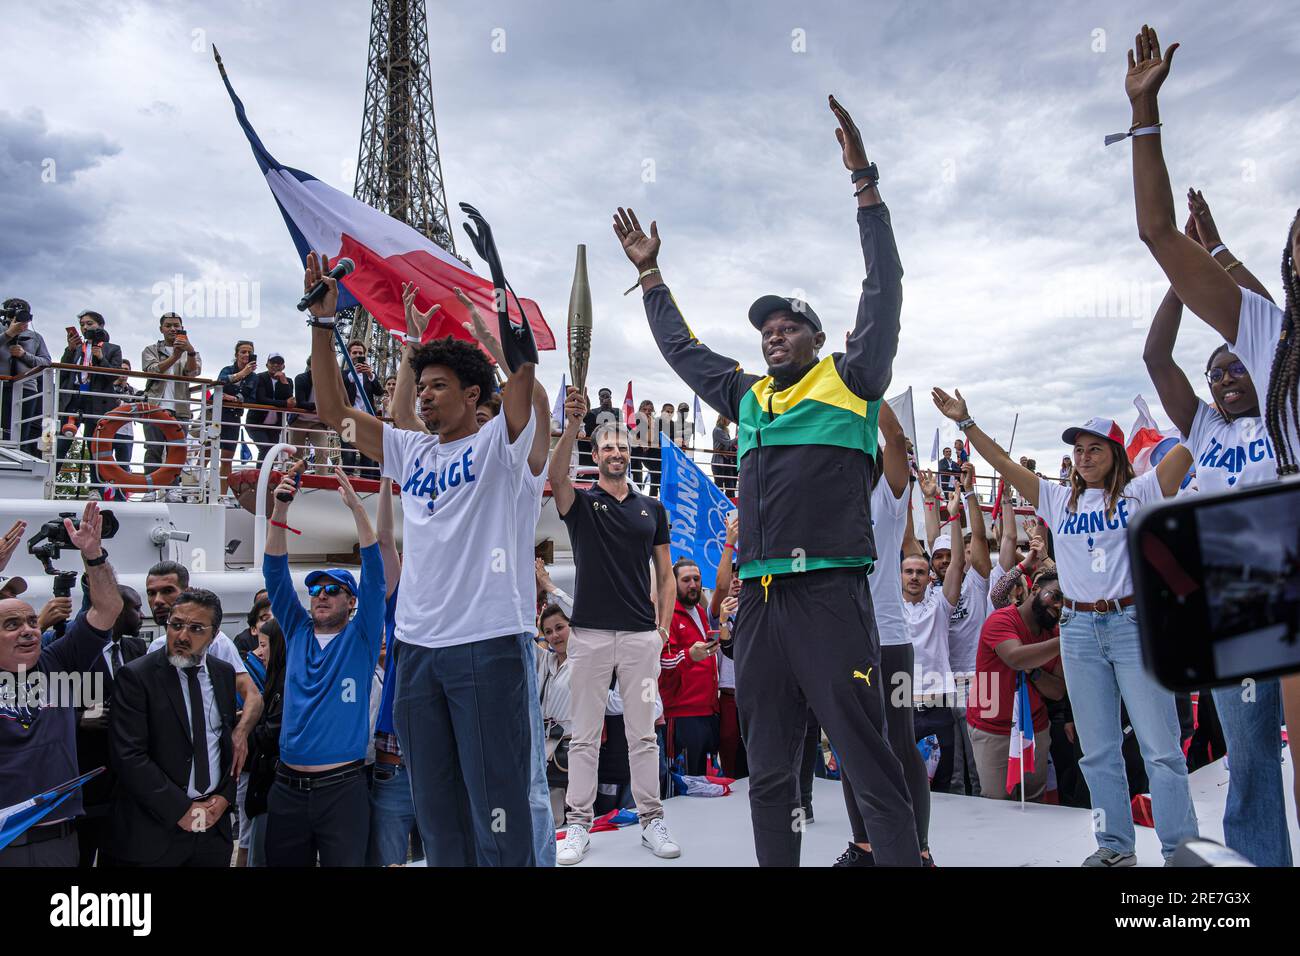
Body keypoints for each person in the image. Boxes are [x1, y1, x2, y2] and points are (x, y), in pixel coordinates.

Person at [614, 94, 919, 867]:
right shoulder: (748, 394)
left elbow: (884, 291)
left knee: (867, 756)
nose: (773, 334)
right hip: (759, 602)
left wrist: (865, 186)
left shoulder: (854, 380)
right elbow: (683, 353)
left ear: (817, 337)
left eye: (788, 325)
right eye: (765, 329)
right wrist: (651, 275)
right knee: (770, 770)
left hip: (829, 596)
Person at [302, 251, 540, 867]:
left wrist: (497, 278)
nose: (426, 397)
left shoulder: (501, 447)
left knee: (499, 810)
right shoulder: (411, 452)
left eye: (439, 386)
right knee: (435, 813)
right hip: (416, 649)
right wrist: (323, 325)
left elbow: (523, 379)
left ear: (471, 395)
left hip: (487, 643)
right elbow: (334, 415)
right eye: (422, 386)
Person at [1127, 24, 1297, 864]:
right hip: (1247, 585)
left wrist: (1216, 255)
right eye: (1221, 368)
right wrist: (1145, 115)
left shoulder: (1277, 397)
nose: (1233, 376)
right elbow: (1164, 338)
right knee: (1254, 757)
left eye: (1241, 365)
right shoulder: (1217, 420)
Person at [933, 385, 1198, 866]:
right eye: (1077, 449)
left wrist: (1211, 409)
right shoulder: (1058, 501)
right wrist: (966, 423)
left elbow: (1190, 444)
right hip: (1076, 630)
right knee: (1097, 750)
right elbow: (1008, 466)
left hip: (1131, 622)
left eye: (1095, 447)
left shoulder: (1142, 490)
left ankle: (1180, 849)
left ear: (1116, 454)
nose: (1084, 456)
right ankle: (1116, 846)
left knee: (1160, 749)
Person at [398, 282, 559, 867]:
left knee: (520, 796)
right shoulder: (440, 454)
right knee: (453, 799)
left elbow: (531, 408)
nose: (489, 427)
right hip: (434, 644)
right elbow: (403, 423)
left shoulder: (514, 461)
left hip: (497, 639)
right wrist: (411, 349)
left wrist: (496, 343)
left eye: (492, 416)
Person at [549, 389, 679, 865]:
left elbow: (665, 576)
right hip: (589, 636)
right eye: (607, 446)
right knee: (584, 735)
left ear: (630, 453)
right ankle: (578, 826)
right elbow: (554, 475)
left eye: (623, 446)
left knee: (643, 735)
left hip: (640, 639)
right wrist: (571, 425)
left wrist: (661, 630)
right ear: (596, 453)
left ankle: (651, 821)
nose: (617, 453)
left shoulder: (653, 510)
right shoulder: (581, 506)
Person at [261, 465, 383, 866]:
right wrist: (280, 508)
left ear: (351, 601)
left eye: (334, 589)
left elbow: (376, 576)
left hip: (342, 789)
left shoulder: (361, 637)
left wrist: (356, 510)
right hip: (287, 788)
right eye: (315, 589)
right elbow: (275, 573)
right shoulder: (295, 629)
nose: (321, 595)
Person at [834, 400, 933, 866]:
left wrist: (872, 392)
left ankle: (921, 849)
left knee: (898, 740)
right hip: (841, 641)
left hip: (889, 641)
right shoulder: (831, 504)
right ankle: (865, 846)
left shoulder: (889, 500)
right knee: (851, 744)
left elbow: (897, 442)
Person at [0, 509, 118, 867]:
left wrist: (94, 556)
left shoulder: (57, 661)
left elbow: (109, 607)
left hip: (59, 839)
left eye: (32, 621)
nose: (28, 630)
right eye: (11, 624)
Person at [109, 588, 236, 867]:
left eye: (196, 628)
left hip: (212, 831)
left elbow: (224, 744)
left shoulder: (224, 674)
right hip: (155, 831)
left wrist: (225, 797)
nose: (182, 636)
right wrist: (181, 809)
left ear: (214, 635)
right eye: (176, 625)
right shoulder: (136, 677)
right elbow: (128, 756)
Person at [144, 561, 262, 777]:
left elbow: (252, 696)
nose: (158, 601)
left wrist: (240, 733)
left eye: (167, 591)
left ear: (187, 593)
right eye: (151, 593)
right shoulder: (155, 648)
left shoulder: (217, 644)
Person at [920, 462, 990, 795]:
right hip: (942, 681)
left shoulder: (975, 583)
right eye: (939, 558)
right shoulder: (932, 593)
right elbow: (934, 542)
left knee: (978, 760)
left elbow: (977, 538)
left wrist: (970, 497)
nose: (946, 561)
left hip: (979, 679)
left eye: (952, 556)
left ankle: (986, 816)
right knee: (950, 761)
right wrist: (930, 501)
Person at [968, 570, 1066, 801]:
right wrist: (1066, 641)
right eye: (1056, 596)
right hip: (993, 727)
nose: (1060, 606)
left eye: (1066, 602)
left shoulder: (1054, 633)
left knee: (1034, 802)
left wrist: (1034, 670)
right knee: (997, 804)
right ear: (1034, 590)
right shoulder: (1001, 619)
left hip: (1035, 728)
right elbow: (1015, 657)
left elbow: (1057, 691)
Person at [366, 476, 423, 867]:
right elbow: (385, 539)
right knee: (388, 862)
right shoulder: (399, 603)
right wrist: (387, 477)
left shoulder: (456, 606)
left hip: (438, 772)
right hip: (395, 772)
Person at [75, 584, 147, 867]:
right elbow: (45, 708)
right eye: (136, 608)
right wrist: (78, 718)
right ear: (116, 611)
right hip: (89, 783)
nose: (142, 615)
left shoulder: (136, 648)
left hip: (129, 786)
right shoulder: (77, 653)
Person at [901, 489, 966, 796]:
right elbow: (900, 541)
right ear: (899, 576)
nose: (914, 577)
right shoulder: (887, 608)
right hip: (902, 706)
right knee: (905, 784)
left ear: (930, 578)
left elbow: (957, 564)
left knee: (945, 787)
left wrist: (953, 516)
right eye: (909, 571)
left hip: (939, 705)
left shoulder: (941, 604)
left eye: (920, 572)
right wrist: (902, 497)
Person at [659, 558, 720, 777]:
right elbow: (662, 662)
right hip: (682, 713)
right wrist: (689, 656)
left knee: (707, 781)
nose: (692, 584)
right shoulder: (667, 614)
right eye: (686, 580)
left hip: (709, 710)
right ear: (674, 583)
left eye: (696, 579)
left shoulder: (701, 612)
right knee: (683, 783)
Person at [56, 310, 124, 498]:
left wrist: (101, 357)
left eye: (90, 324)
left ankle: (96, 488)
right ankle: (50, 482)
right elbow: (63, 372)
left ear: (100, 326)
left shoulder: (112, 348)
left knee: (95, 446)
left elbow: (114, 376)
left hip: (98, 401)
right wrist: (69, 350)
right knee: (62, 443)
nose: (86, 327)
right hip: (74, 398)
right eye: (83, 324)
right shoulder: (77, 348)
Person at [142, 312, 201, 501]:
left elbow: (193, 372)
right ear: (161, 329)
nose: (173, 329)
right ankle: (150, 489)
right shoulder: (150, 350)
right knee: (153, 449)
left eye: (176, 325)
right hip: (155, 407)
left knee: (176, 451)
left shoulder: (191, 350)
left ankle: (172, 489)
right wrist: (175, 356)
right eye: (168, 325)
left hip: (181, 408)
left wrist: (189, 351)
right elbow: (152, 371)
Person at [241, 616, 285, 867]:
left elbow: (272, 733)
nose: (258, 653)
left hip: (269, 787)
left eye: (264, 645)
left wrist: (244, 728)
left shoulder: (285, 682)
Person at [536, 604, 574, 825]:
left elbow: (576, 610)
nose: (555, 635)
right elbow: (523, 640)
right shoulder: (545, 660)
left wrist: (552, 588)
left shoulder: (586, 660)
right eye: (548, 631)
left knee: (572, 816)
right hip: (544, 750)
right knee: (550, 819)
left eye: (560, 627)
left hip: (572, 748)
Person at [0, 297, 51, 453]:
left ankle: (19, 460)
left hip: (26, 389)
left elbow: (46, 363)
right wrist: (8, 334)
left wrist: (24, 355)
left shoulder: (36, 337)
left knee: (21, 431)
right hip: (2, 386)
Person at [217, 341, 258, 494]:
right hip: (215, 414)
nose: (246, 355)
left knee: (227, 457)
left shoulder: (253, 378)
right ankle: (198, 482)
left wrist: (236, 398)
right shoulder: (227, 370)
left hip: (233, 417)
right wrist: (241, 374)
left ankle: (222, 495)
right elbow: (220, 382)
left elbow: (252, 399)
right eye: (243, 352)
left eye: (249, 352)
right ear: (236, 355)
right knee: (208, 452)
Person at [341, 340, 384, 475]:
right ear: (349, 354)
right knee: (348, 454)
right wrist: (353, 374)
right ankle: (348, 482)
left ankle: (367, 483)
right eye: (354, 353)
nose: (357, 355)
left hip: (367, 419)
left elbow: (379, 391)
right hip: (349, 419)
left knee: (368, 454)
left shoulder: (370, 374)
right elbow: (341, 387)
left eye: (360, 353)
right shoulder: (343, 374)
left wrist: (371, 376)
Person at [246, 352, 296, 462]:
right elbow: (261, 399)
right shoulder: (260, 377)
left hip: (275, 425)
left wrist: (283, 382)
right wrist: (284, 403)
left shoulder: (288, 381)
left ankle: (266, 477)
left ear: (283, 366)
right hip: (256, 423)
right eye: (273, 362)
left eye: (279, 363)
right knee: (266, 448)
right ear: (267, 364)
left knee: (272, 452)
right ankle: (261, 477)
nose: (276, 365)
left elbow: (290, 401)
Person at [290, 356, 332, 473]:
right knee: (296, 454)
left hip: (318, 423)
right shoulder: (301, 378)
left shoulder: (328, 382)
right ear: (310, 367)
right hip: (299, 421)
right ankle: (293, 478)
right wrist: (321, 407)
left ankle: (321, 480)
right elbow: (301, 402)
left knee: (322, 451)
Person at [580, 387, 618, 470]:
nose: (605, 399)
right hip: (596, 443)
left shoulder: (617, 412)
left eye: (607, 397)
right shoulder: (593, 412)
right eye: (602, 396)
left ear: (610, 398)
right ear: (599, 398)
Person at [711, 414, 737, 496]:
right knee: (720, 486)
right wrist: (738, 437)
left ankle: (728, 505)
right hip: (719, 462)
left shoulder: (723, 430)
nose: (730, 421)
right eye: (729, 419)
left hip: (725, 461)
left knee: (730, 486)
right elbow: (728, 443)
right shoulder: (718, 430)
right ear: (723, 418)